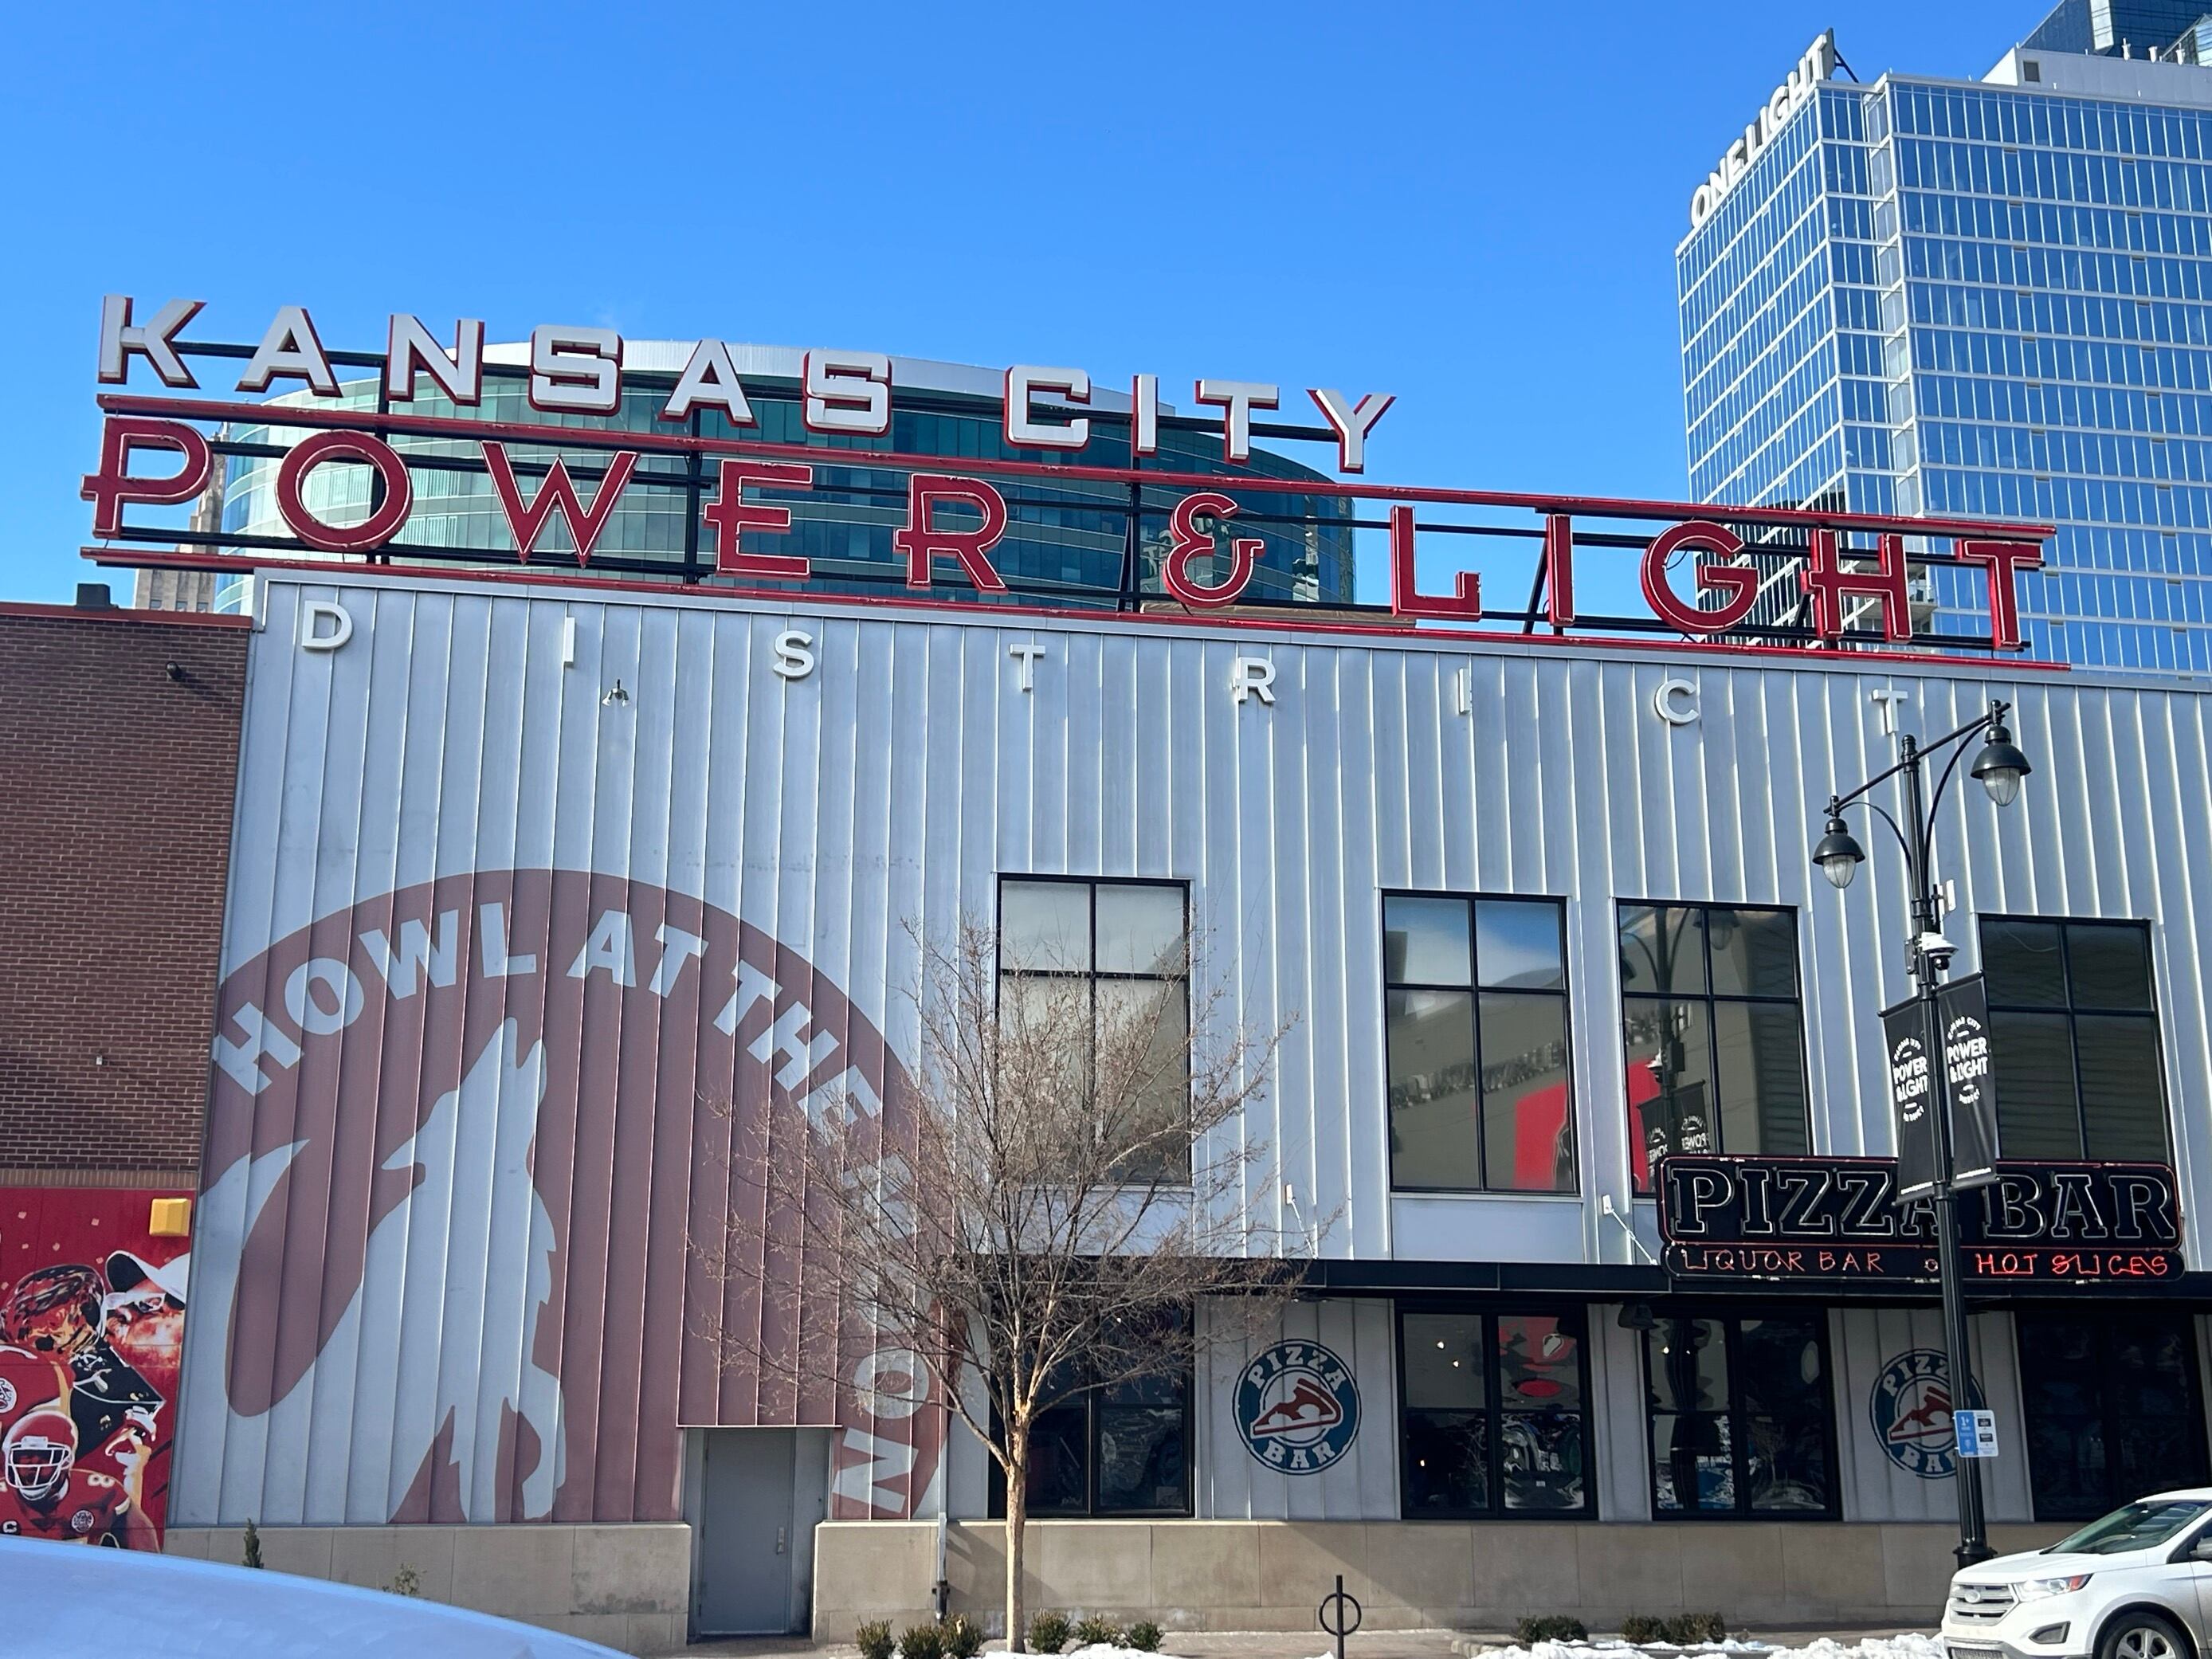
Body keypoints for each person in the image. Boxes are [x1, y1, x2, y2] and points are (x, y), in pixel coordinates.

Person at [3, 1265, 163, 1462]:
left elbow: (138, 1396)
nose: (57, 1338)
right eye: (53, 1322)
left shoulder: (85, 1367)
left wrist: (136, 1422)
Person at [0, 1344, 154, 1547]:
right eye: (25, 1458)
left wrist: (133, 1472)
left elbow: (143, 1554)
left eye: (42, 1459)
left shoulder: (100, 1492)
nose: (31, 1469)